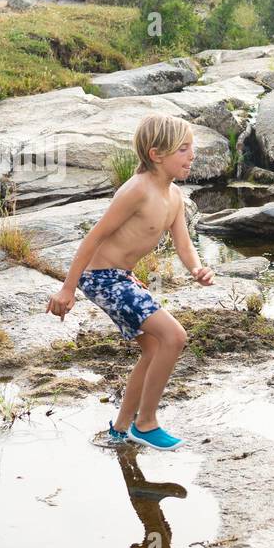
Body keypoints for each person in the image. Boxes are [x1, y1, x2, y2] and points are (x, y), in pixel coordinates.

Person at [46, 114, 214, 451]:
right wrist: (68, 287)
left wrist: (197, 269)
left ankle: (120, 428)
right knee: (174, 336)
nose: (191, 155)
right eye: (183, 149)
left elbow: (183, 243)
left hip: (120, 277)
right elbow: (94, 238)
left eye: (191, 148)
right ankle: (146, 423)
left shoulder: (175, 196)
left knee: (154, 349)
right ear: (156, 154)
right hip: (101, 278)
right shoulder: (137, 190)